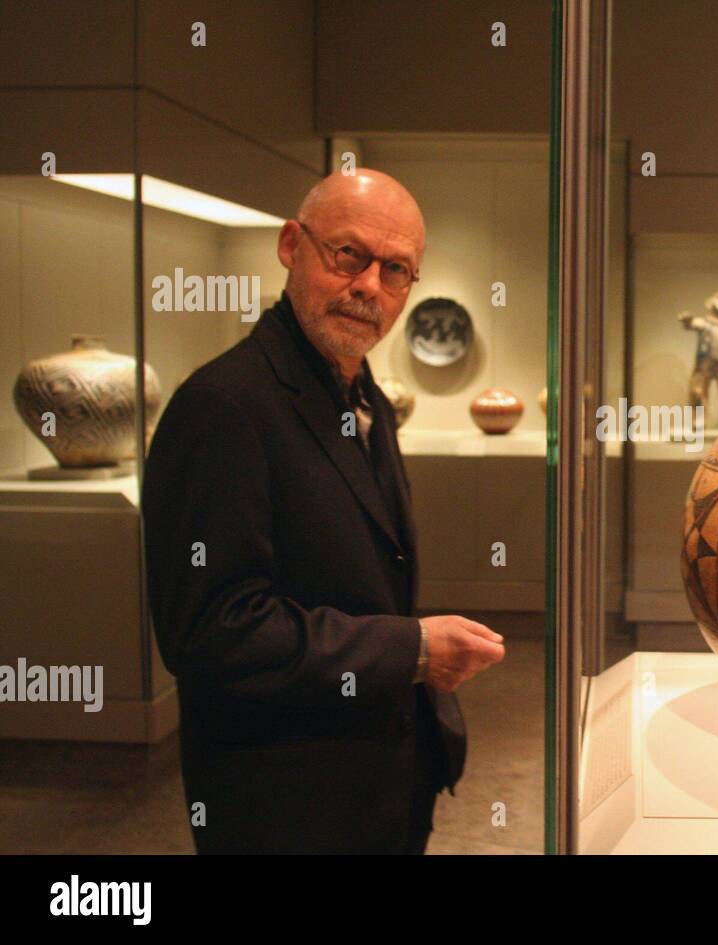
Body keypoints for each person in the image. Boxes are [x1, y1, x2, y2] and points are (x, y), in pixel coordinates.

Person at [142, 170, 505, 854]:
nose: (369, 285)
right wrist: (415, 649)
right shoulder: (224, 406)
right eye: (349, 255)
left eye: (396, 270)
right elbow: (213, 631)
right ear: (291, 245)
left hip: (375, 786)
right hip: (286, 806)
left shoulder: (361, 390)